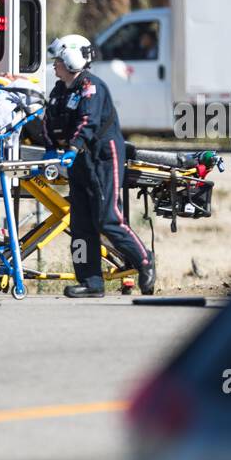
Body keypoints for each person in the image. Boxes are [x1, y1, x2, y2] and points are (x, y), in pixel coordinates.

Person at [44, 34, 155, 298]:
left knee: (108, 219)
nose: (54, 65)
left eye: (57, 60)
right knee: (81, 224)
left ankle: (144, 261)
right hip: (78, 161)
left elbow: (88, 121)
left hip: (102, 157)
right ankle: (91, 282)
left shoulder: (92, 87)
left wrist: (73, 146)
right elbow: (49, 119)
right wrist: (50, 146)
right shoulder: (60, 90)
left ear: (71, 60)